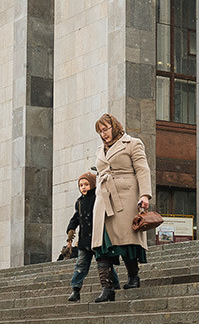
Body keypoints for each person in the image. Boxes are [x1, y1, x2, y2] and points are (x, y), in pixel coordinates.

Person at [90, 112, 152, 302]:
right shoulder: (100, 149)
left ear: (114, 126)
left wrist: (144, 195)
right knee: (101, 244)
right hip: (104, 199)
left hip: (125, 197)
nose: (103, 134)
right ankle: (107, 288)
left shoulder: (132, 143)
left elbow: (142, 169)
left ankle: (134, 276)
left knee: (127, 241)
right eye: (100, 131)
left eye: (105, 129)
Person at [64, 171, 115, 302]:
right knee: (80, 265)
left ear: (92, 184)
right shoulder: (79, 202)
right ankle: (75, 289)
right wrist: (71, 229)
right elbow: (76, 217)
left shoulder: (97, 198)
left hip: (97, 238)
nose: (83, 187)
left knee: (104, 263)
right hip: (84, 240)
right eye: (81, 185)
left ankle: (114, 285)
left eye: (86, 184)